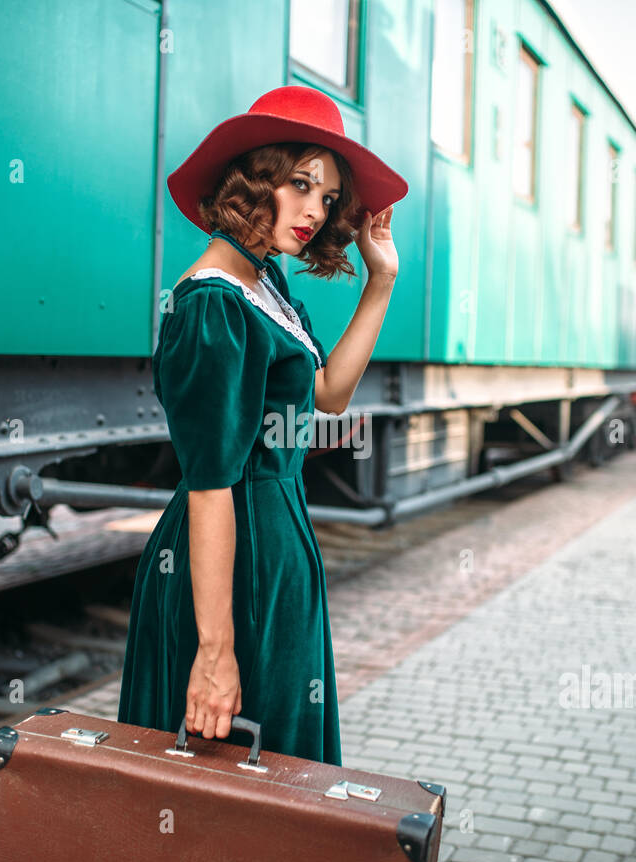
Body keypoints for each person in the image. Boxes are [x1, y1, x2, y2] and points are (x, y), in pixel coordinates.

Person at [116, 86, 406, 765]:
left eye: (330, 197)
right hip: (231, 564)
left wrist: (381, 280)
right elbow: (212, 480)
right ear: (254, 178)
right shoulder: (213, 305)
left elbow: (330, 394)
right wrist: (215, 653)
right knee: (224, 779)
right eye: (301, 182)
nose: (315, 209)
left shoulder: (264, 286)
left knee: (274, 774)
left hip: (274, 556)